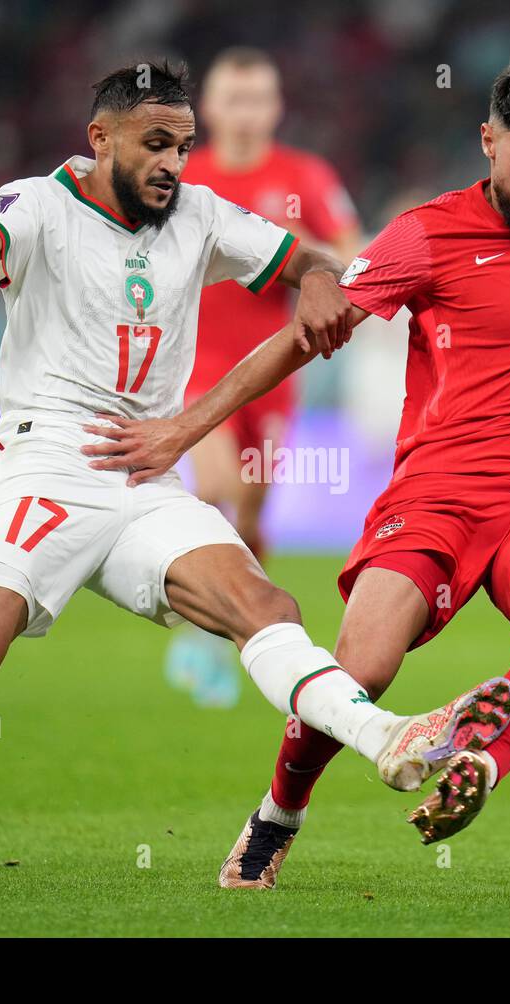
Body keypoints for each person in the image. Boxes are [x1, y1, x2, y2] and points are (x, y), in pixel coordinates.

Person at [0, 61, 510, 885]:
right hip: (45, 467)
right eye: (156, 144)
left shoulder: (199, 214)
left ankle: (388, 737)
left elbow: (303, 255)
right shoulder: (41, 204)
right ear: (102, 140)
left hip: (144, 476)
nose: (174, 163)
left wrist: (314, 281)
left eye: (184, 146)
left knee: (265, 603)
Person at [80, 59, 510, 889]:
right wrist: (183, 428)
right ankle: (276, 818)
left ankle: (481, 763)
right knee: (363, 668)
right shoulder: (425, 236)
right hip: (438, 491)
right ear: (487, 142)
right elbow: (312, 327)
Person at [165, 47, 361, 707]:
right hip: (198, 363)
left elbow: (354, 254)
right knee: (215, 484)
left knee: (251, 509)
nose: (246, 114)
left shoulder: (304, 175)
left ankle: (225, 633)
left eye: (258, 100)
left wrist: (305, 247)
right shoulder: (185, 178)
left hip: (277, 365)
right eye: (233, 100)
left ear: (275, 108)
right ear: (209, 109)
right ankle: (199, 631)